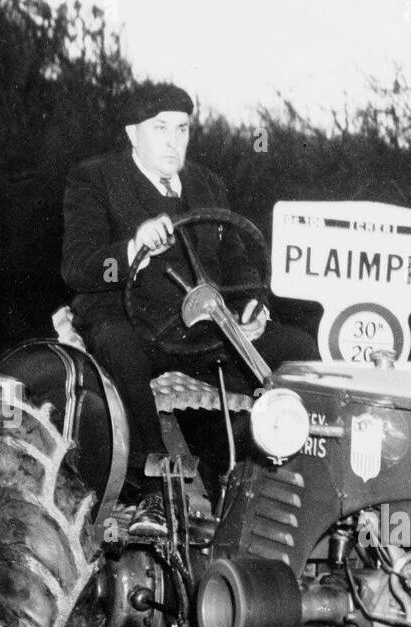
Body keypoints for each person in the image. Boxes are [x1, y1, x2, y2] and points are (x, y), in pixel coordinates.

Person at [61, 81, 318, 535]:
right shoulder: (95, 180)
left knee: (297, 349)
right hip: (130, 319)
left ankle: (293, 479)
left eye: (182, 129)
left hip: (203, 329)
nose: (173, 141)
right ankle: (152, 490)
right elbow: (78, 267)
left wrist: (254, 305)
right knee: (118, 346)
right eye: (160, 129)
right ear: (132, 133)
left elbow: (238, 262)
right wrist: (131, 248)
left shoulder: (207, 184)